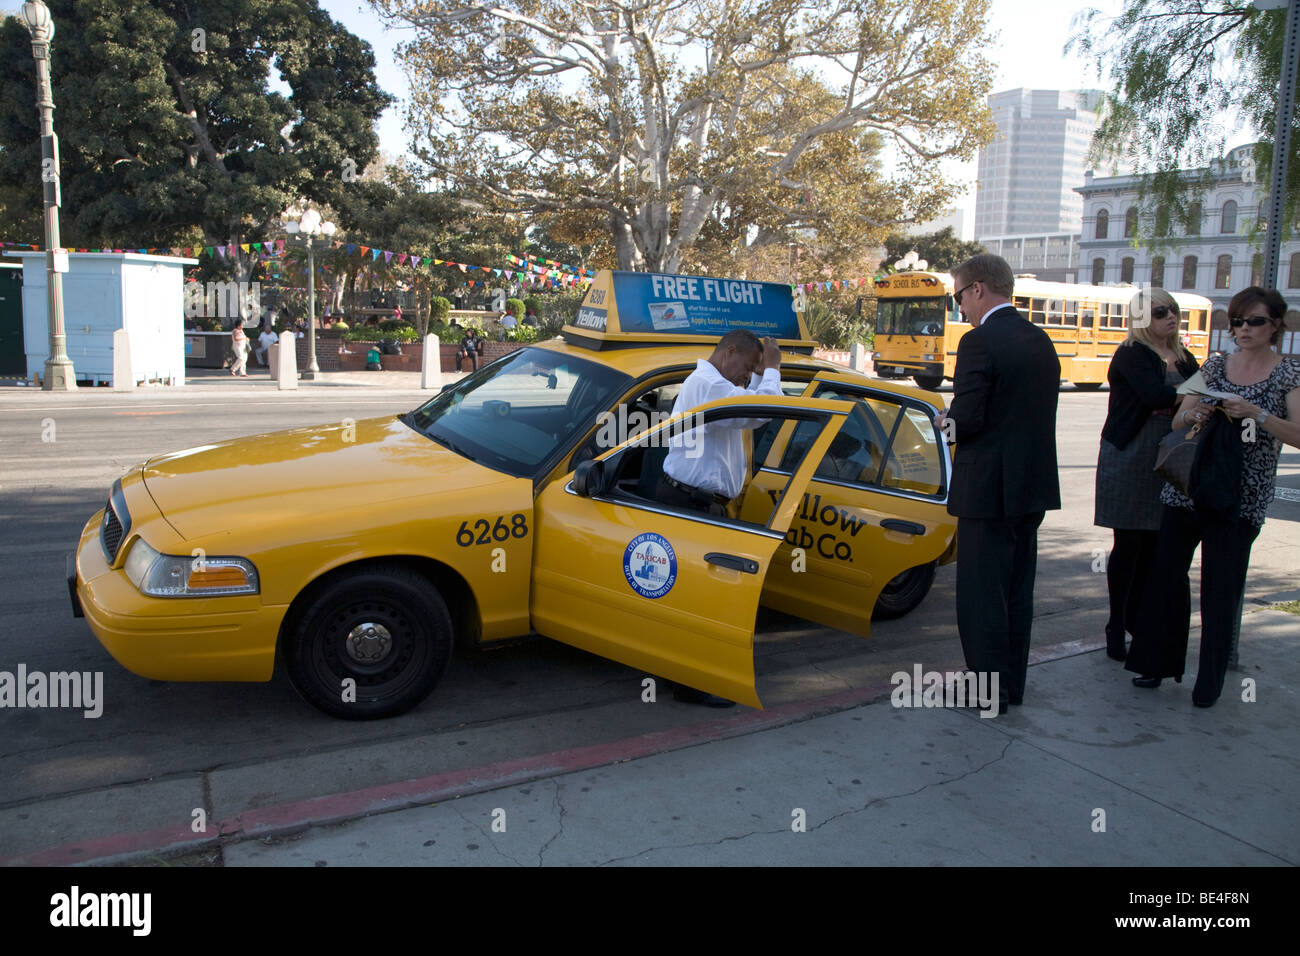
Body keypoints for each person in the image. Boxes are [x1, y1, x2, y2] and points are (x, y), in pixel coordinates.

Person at [1126, 287, 1300, 707]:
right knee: (1165, 577)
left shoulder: (1288, 373)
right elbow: (1180, 416)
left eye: (1253, 321)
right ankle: (1155, 664)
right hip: (1190, 486)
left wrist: (1257, 414)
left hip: (1241, 495)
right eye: (1236, 321)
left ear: (1274, 325)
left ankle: (1210, 681)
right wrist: (1196, 413)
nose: (1242, 329)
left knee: (1221, 589)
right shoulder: (1216, 364)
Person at [935, 254, 1060, 715]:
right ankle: (1011, 685)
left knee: (981, 595)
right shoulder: (1039, 339)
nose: (960, 307)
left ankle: (987, 689)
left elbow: (967, 420)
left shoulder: (979, 342)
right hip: (1031, 487)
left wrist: (943, 424)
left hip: (988, 489)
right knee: (1015, 591)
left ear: (978, 289)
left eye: (959, 296)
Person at [657, 328, 783, 707]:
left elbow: (749, 406)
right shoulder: (709, 385)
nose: (746, 377)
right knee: (696, 599)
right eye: (746, 368)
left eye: (751, 373)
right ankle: (690, 684)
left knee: (690, 596)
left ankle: (677, 673)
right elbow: (763, 411)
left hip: (696, 502)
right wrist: (773, 370)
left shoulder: (714, 385)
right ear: (729, 353)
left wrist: (762, 371)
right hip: (691, 504)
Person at [1094, 289, 1199, 661]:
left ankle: (1142, 625)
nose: (1169, 316)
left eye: (1173, 310)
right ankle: (1116, 625)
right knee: (1130, 544)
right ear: (1141, 318)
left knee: (1157, 545)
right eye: (1159, 311)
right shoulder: (1131, 353)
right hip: (1132, 453)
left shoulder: (1184, 356)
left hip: (1173, 453)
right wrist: (1192, 395)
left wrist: (1191, 394)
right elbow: (1156, 395)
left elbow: (1201, 388)